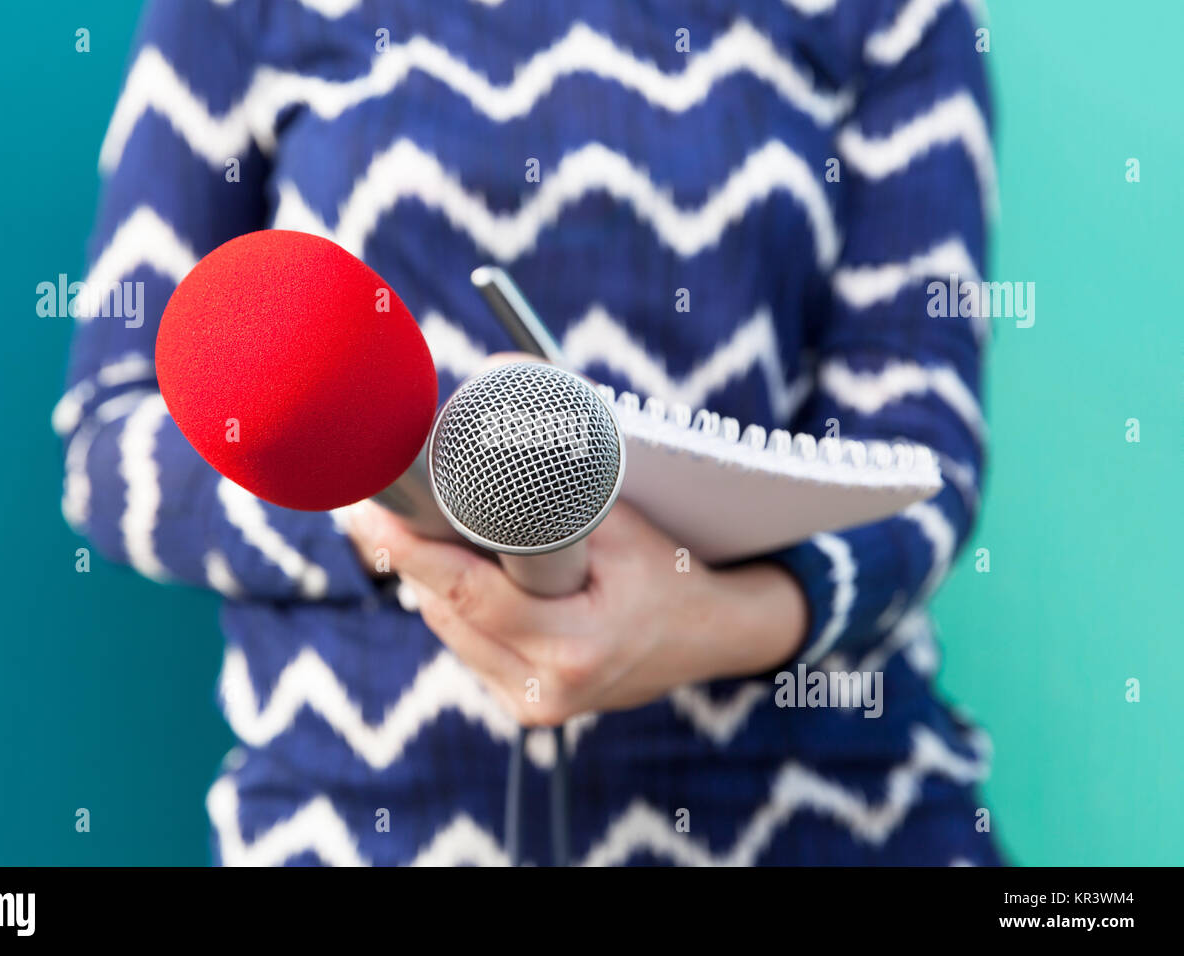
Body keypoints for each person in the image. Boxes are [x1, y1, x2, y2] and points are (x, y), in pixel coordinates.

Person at [57, 0, 999, 866]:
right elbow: (115, 443)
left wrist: (719, 624)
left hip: (834, 813)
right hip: (359, 820)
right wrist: (398, 519)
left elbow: (924, 461)